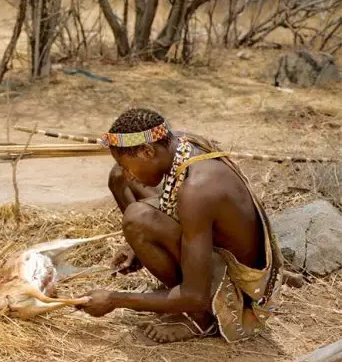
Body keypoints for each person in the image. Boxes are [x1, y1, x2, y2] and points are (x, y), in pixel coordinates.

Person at [76, 108, 285, 344]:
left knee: (137, 219)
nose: (130, 174)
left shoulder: (197, 190)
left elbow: (194, 295)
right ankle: (151, 252)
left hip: (241, 295)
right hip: (210, 243)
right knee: (118, 179)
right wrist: (136, 245)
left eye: (129, 165)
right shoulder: (182, 142)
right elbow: (145, 184)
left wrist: (114, 299)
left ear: (147, 151)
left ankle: (201, 319)